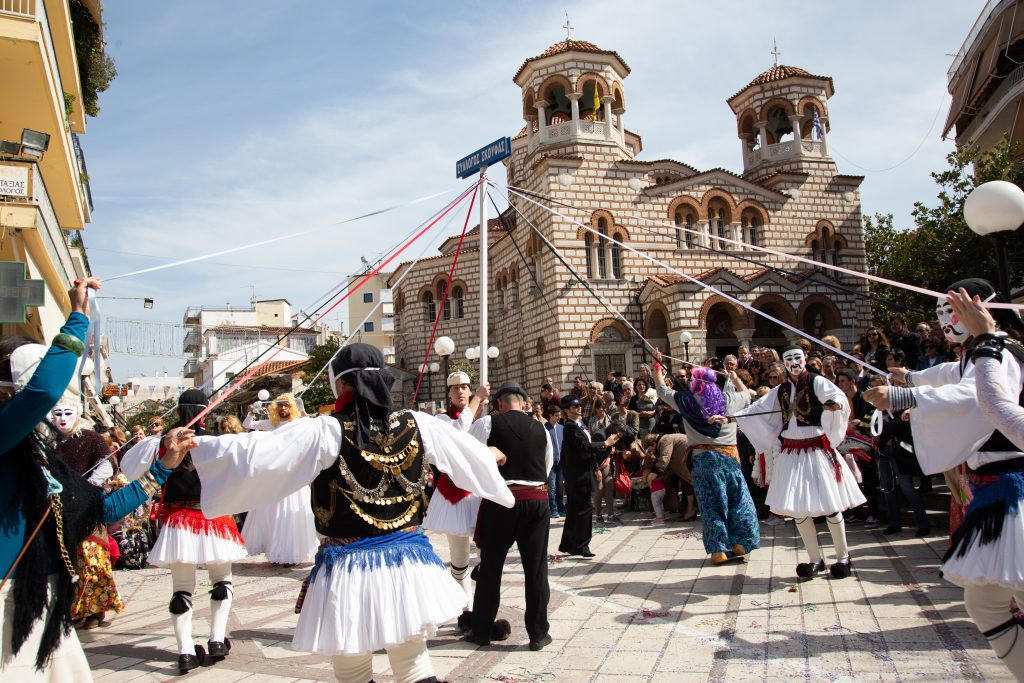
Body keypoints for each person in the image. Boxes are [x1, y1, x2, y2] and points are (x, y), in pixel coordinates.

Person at [145, 344, 514, 683]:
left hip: (350, 569)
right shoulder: (419, 423)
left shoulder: (325, 430)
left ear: (341, 385)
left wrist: (197, 447)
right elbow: (466, 452)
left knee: (352, 670)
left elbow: (259, 453)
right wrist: (490, 461)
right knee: (414, 666)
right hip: (408, 565)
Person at [1, 278, 189, 681]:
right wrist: (78, 317)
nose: (60, 407)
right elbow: (42, 391)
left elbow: (100, 508)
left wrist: (163, 466)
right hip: (11, 604)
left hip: (44, 603)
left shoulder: (39, 456)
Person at [865, 280, 1024, 680]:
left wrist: (905, 397)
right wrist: (910, 378)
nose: (945, 322)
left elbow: (978, 398)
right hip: (996, 487)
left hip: (1013, 484)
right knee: (987, 603)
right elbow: (950, 375)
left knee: (998, 599)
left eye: (951, 310)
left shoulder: (998, 350)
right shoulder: (978, 353)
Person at [121, 389, 248, 673]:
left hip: (178, 521)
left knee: (181, 588)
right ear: (206, 410)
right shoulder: (216, 441)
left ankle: (186, 651)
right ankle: (217, 640)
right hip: (214, 518)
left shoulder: (161, 443)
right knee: (222, 580)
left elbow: (129, 468)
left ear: (178, 410)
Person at [731, 346, 864, 579]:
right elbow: (758, 409)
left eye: (797, 358)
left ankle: (843, 557)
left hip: (816, 450)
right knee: (799, 510)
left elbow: (837, 396)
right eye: (789, 359)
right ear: (784, 363)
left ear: (804, 360)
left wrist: (836, 405)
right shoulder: (781, 389)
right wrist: (731, 417)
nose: (794, 362)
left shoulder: (816, 381)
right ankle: (815, 559)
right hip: (792, 452)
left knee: (831, 507)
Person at [464, 382, 553, 651]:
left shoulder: (488, 423)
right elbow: (547, 464)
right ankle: (538, 633)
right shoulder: (541, 428)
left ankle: (481, 630)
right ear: (524, 404)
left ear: (499, 404)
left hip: (502, 500)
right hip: (536, 500)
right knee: (536, 569)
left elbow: (470, 456)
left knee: (491, 567)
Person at [654, 353, 760, 565]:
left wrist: (658, 366)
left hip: (703, 460)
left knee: (711, 505)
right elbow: (746, 395)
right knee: (738, 500)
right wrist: (734, 378)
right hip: (729, 459)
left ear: (695, 384)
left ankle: (718, 550)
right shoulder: (728, 400)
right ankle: (740, 542)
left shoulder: (686, 401)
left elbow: (662, 391)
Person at [421, 371, 490, 633]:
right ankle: (465, 610)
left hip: (479, 492)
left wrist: (481, 408)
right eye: (455, 388)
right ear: (449, 393)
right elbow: (459, 430)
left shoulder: (481, 418)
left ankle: (484, 609)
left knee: (486, 557)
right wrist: (477, 400)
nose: (461, 391)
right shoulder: (442, 419)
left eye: (465, 387)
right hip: (454, 494)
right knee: (459, 561)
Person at [51, 399, 124, 630]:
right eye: (57, 414)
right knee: (69, 561)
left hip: (88, 508)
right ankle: (76, 609)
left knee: (92, 558)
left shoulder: (92, 438)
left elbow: (107, 466)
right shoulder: (51, 443)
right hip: (62, 509)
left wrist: (86, 486)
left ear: (78, 414)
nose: (63, 419)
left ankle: (96, 610)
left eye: (68, 413)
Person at [241, 393, 320, 567]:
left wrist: (303, 410)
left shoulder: (298, 423)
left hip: (293, 474)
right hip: (275, 476)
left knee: (290, 513)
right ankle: (276, 551)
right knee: (273, 515)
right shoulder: (272, 424)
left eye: (286, 405)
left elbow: (312, 424)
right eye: (280, 405)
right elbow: (247, 425)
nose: (283, 408)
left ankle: (290, 552)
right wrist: (252, 412)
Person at [558, 395, 619, 558]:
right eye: (574, 406)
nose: (578, 408)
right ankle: (581, 545)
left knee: (578, 510)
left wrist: (596, 468)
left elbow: (589, 449)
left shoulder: (581, 424)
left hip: (585, 471)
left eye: (579, 405)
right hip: (577, 475)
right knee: (582, 510)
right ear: (566, 410)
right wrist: (605, 443)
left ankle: (570, 545)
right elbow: (584, 446)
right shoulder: (569, 427)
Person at [644, 432, 696, 521]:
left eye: (650, 449)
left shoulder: (665, 440)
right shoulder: (661, 444)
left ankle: (691, 510)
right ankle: (690, 510)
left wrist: (653, 473)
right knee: (687, 485)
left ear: (653, 444)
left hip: (690, 459)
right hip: (684, 463)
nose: (651, 452)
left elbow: (665, 458)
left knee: (689, 485)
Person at [544, 404, 566, 518]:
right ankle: (553, 509)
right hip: (550, 463)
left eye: (560, 415)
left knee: (560, 486)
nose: (559, 417)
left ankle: (560, 507)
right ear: (550, 415)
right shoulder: (544, 428)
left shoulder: (561, 428)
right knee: (551, 486)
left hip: (561, 463)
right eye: (556, 415)